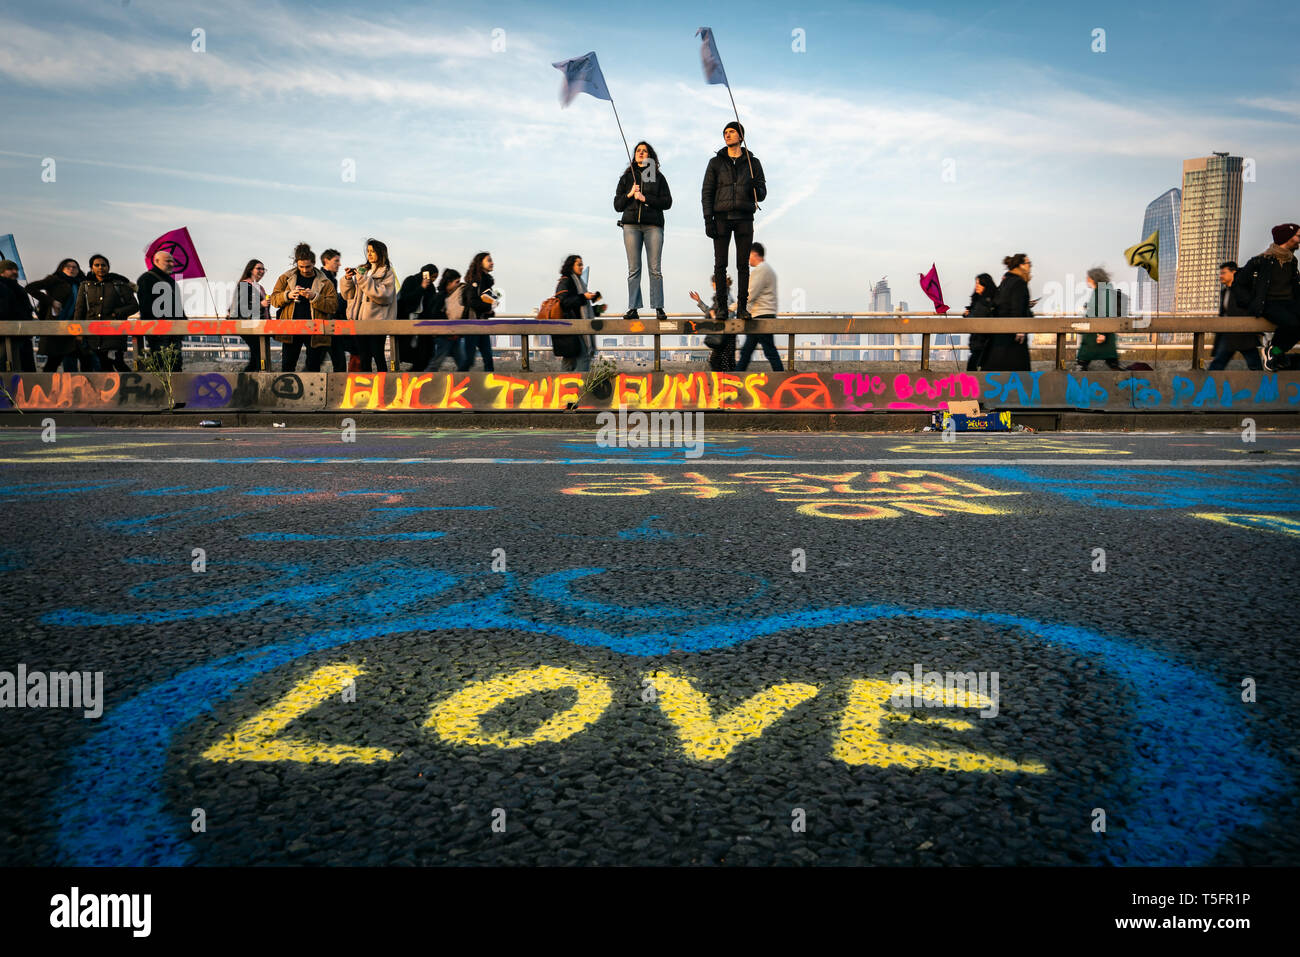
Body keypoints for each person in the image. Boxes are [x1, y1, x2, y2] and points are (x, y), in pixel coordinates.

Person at [701, 120, 766, 321]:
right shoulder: (715, 163)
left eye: (731, 132)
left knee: (742, 266)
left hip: (744, 218)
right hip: (721, 218)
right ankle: (721, 308)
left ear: (741, 136)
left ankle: (743, 309)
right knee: (720, 265)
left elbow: (762, 194)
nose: (727, 135)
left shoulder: (753, 163)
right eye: (725, 133)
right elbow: (707, 192)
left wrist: (755, 186)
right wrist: (708, 219)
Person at [615, 140, 672, 321]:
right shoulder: (626, 178)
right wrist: (630, 194)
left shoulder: (658, 177)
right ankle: (633, 308)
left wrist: (645, 198)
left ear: (650, 156)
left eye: (644, 151)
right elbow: (617, 205)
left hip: (653, 226)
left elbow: (667, 202)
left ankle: (658, 307)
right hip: (631, 226)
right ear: (634, 155)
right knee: (634, 269)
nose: (641, 153)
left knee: (655, 269)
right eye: (638, 151)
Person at [269, 243, 339, 372]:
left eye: (308, 266)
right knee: (288, 366)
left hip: (315, 330)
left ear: (313, 263)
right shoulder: (285, 278)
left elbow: (333, 306)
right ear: (297, 264)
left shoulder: (325, 282)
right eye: (301, 266)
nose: (305, 270)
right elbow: (273, 300)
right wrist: (288, 295)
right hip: (291, 328)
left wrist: (314, 297)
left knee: (313, 367)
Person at [340, 238, 397, 372]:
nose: (369, 254)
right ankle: (368, 387)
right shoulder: (363, 270)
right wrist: (348, 280)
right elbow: (349, 295)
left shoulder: (387, 272)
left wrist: (363, 280)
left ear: (381, 253)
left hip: (377, 321)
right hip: (360, 321)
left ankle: (383, 385)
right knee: (364, 356)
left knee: (378, 355)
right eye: (368, 251)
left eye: (373, 251)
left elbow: (383, 295)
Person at [75, 254, 138, 373]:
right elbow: (80, 309)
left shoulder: (118, 284)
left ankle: (132, 387)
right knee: (101, 365)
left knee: (118, 363)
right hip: (92, 334)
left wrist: (116, 313)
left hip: (114, 333)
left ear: (108, 267)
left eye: (103, 265)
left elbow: (134, 306)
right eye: (96, 265)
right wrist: (78, 331)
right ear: (91, 267)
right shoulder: (86, 286)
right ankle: (110, 390)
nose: (100, 268)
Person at [1250, 223, 1300, 372]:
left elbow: (1295, 287)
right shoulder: (1263, 259)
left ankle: (1274, 352)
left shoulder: (1292, 261)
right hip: (1270, 305)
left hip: (1288, 304)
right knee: (1293, 323)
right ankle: (1274, 353)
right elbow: (1241, 282)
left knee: (1295, 326)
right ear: (1288, 238)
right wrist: (1252, 302)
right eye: (1297, 236)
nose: (1299, 239)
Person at [28, 258, 85, 372]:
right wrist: (51, 301)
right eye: (68, 266)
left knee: (74, 359)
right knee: (53, 361)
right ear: (62, 268)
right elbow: (30, 288)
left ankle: (73, 386)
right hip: (57, 327)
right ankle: (45, 386)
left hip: (74, 328)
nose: (71, 269)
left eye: (74, 267)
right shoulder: (55, 279)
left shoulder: (81, 283)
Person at [735, 241, 782, 372]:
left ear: (755, 254)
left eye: (748, 255)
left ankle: (782, 377)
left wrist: (732, 307)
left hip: (761, 317)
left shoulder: (761, 270)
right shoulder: (768, 270)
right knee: (748, 352)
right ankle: (738, 376)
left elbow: (750, 294)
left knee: (767, 351)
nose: (746, 258)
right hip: (763, 315)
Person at [136, 249, 185, 370]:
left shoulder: (172, 282)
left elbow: (178, 306)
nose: (172, 264)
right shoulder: (146, 279)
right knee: (161, 362)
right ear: (156, 261)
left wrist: (183, 325)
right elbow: (145, 306)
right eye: (168, 261)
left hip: (174, 329)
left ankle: (173, 387)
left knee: (175, 363)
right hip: (158, 330)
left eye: (173, 261)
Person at [983, 253, 1033, 371]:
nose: (1030, 267)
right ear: (1021, 265)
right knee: (1018, 373)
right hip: (1014, 337)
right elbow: (1017, 307)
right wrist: (1020, 330)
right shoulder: (1019, 283)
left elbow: (1003, 303)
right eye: (1028, 264)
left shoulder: (1006, 281)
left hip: (1001, 334)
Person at [1208, 262, 1262, 371]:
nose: (1221, 276)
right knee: (1218, 364)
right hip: (1228, 334)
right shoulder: (1225, 292)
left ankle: (1264, 386)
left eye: (1224, 273)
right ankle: (1209, 385)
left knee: (1254, 365)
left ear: (1234, 273)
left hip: (1244, 333)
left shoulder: (1243, 290)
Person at [553, 254, 600, 372]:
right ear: (571, 266)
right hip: (572, 329)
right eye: (579, 264)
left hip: (575, 328)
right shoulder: (566, 281)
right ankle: (581, 386)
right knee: (583, 358)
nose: (581, 267)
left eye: (582, 264)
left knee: (569, 360)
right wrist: (584, 297)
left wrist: (598, 309)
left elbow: (580, 307)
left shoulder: (579, 282)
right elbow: (564, 302)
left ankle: (562, 387)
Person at [1076, 267, 1124, 371]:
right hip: (1097, 330)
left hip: (1097, 331)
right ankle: (1113, 364)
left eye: (1088, 277)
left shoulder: (1103, 291)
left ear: (1094, 278)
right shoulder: (1100, 290)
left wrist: (1102, 332)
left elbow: (1106, 310)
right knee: (1110, 357)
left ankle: (1081, 366)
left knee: (1085, 356)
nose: (1086, 279)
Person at [229, 260, 270, 371]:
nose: (262, 271)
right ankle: (248, 383)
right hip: (248, 326)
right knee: (258, 357)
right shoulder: (245, 285)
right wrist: (261, 304)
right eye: (259, 268)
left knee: (257, 358)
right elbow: (242, 308)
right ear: (250, 270)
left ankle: (248, 382)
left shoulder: (259, 287)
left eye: (263, 269)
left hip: (258, 326)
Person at [396, 263, 439, 371]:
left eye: (435, 277)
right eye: (433, 276)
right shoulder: (411, 281)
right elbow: (406, 299)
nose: (433, 280)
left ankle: (415, 371)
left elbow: (432, 305)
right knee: (408, 348)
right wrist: (421, 288)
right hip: (407, 318)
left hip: (423, 321)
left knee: (426, 352)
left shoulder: (431, 287)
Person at [460, 251, 496, 372]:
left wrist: (490, 310)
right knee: (469, 359)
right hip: (472, 323)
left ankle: (490, 387)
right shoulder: (475, 281)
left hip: (482, 323)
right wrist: (488, 307)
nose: (492, 263)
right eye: (489, 260)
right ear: (480, 264)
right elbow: (472, 302)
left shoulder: (486, 281)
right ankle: (457, 383)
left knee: (488, 358)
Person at [689, 275, 734, 371]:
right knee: (722, 363)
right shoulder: (722, 296)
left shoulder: (725, 298)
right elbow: (711, 311)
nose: (712, 285)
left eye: (713, 283)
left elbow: (728, 315)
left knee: (720, 363)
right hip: (723, 335)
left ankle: (723, 384)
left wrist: (714, 316)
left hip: (724, 336)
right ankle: (724, 384)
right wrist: (699, 301)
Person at [421, 268, 462, 372]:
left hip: (450, 334)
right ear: (449, 282)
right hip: (445, 335)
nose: (458, 284)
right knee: (437, 362)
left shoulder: (446, 296)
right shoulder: (442, 297)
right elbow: (435, 315)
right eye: (457, 282)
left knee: (461, 362)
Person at [317, 249, 350, 372]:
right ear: (326, 261)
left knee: (320, 361)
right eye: (336, 261)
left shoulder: (330, 278)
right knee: (338, 361)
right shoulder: (323, 278)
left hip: (329, 325)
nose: (339, 264)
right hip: (326, 326)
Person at [0, 259, 36, 372]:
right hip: (6, 336)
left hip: (21, 335)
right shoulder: (3, 287)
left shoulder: (17, 288)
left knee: (23, 370)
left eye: (16, 269)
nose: (15, 271)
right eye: (10, 269)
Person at [962, 273, 998, 371]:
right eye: (976, 283)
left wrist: (966, 315)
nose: (976, 286)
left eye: (980, 284)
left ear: (986, 285)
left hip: (981, 342)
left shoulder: (983, 302)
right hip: (983, 342)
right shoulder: (987, 300)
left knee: (972, 369)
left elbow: (974, 319)